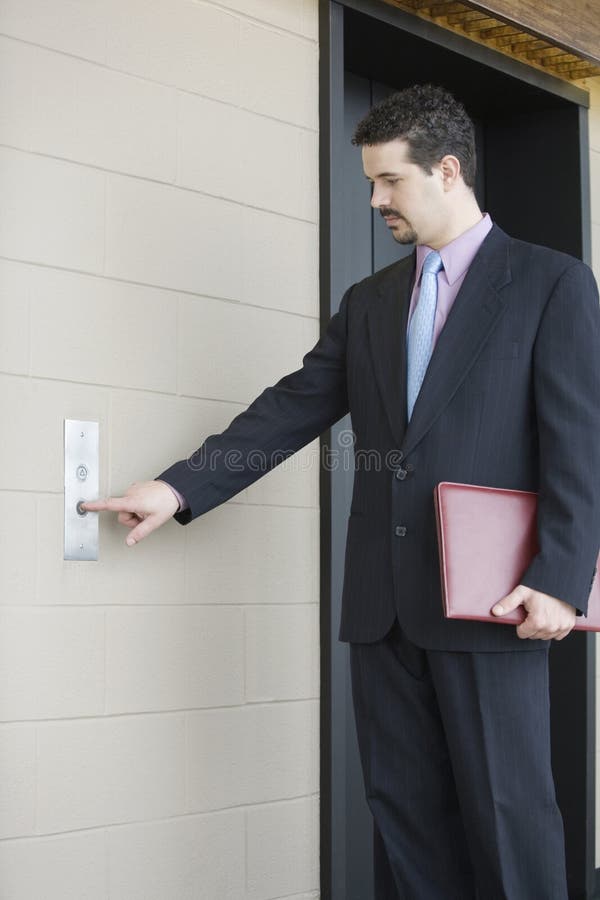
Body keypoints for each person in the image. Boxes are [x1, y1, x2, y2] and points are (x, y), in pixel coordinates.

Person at [84, 84, 600, 899]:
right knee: (406, 820)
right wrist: (179, 490)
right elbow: (293, 408)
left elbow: (581, 446)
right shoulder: (370, 302)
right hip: (383, 609)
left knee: (509, 817)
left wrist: (564, 581)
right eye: (370, 182)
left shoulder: (552, 284)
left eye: (389, 181)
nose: (375, 199)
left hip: (496, 603)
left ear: (448, 172)